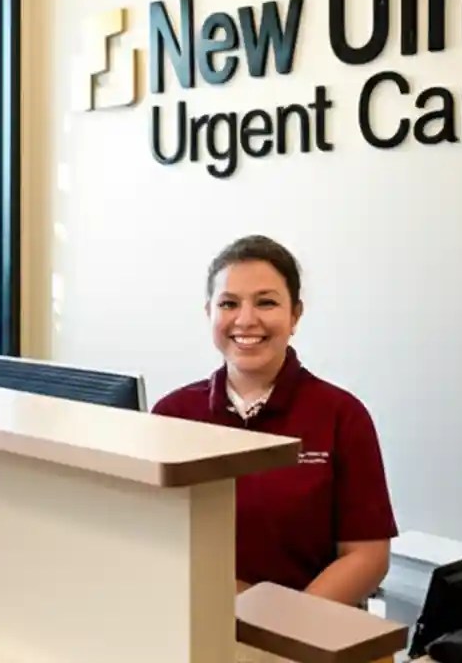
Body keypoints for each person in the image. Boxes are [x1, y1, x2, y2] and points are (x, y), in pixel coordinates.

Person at [151, 234, 397, 606]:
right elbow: (154, 540)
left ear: (295, 315)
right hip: (196, 621)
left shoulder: (342, 415)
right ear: (209, 314)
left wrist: (283, 626)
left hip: (308, 637)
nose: (246, 320)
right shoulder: (173, 414)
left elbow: (367, 556)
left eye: (266, 303)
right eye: (229, 303)